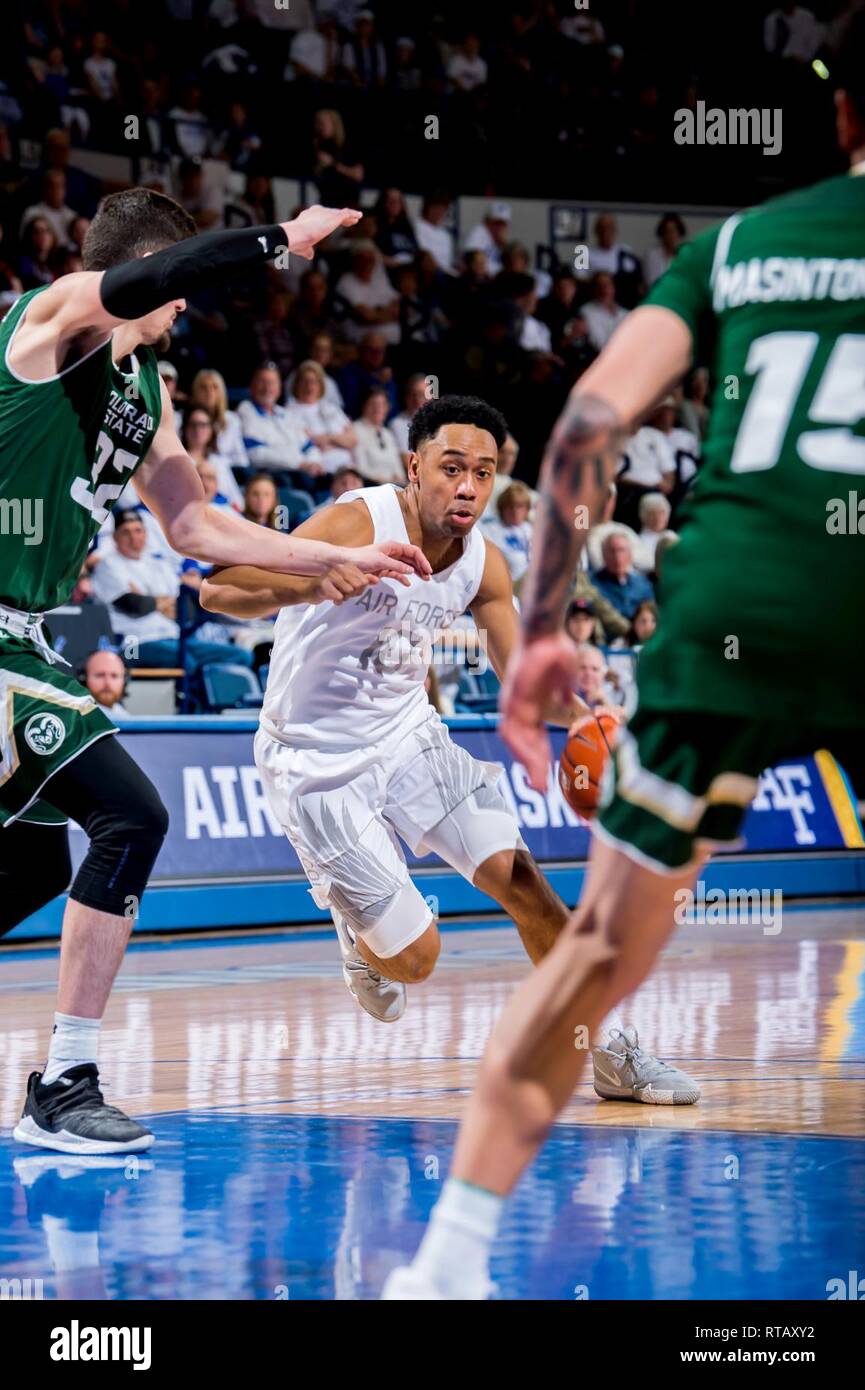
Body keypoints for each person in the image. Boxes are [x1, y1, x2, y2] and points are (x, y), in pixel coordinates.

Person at [381, 9, 865, 1300]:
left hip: (731, 610)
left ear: (841, 114)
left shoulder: (743, 245)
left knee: (596, 945)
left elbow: (586, 426)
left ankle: (446, 1265)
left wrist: (539, 630)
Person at [0, 188, 429, 1156]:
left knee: (28, 860)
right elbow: (154, 278)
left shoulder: (145, 392)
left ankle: (59, 1082)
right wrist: (285, 239)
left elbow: (193, 526)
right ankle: (65, 1081)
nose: (182, 308)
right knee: (131, 815)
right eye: (175, 284)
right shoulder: (53, 317)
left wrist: (324, 562)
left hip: (25, 637)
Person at [200, 395, 698, 1107]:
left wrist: (593, 721)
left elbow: (522, 678)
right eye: (451, 467)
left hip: (408, 736)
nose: (466, 486)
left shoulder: (483, 564)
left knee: (521, 878)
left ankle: (608, 1051)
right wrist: (317, 575)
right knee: (415, 961)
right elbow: (221, 591)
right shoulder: (354, 520)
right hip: (314, 762)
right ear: (413, 466)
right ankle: (356, 931)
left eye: (483, 472)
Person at [353, 387, 406, 484]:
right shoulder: (356, 429)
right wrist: (383, 481)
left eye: (382, 404)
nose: (378, 408)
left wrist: (399, 477)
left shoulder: (388, 433)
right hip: (371, 484)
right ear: (364, 405)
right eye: (373, 404)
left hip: (393, 485)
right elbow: (360, 467)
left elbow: (397, 466)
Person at [80, 648, 130, 720]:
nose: (107, 683)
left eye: (114, 676)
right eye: (100, 675)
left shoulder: (124, 716)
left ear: (124, 681)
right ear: (83, 678)